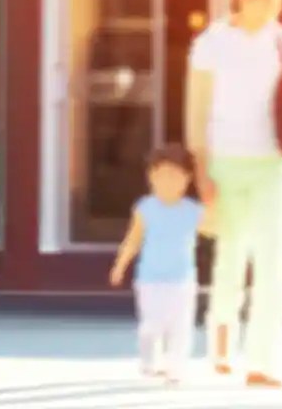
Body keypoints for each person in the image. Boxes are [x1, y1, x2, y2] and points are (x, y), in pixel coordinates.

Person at [185, 0, 282, 388]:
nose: (269, 4)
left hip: (273, 162)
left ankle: (263, 360)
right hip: (225, 160)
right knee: (230, 255)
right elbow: (196, 110)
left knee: (272, 263)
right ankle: (221, 342)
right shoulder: (212, 43)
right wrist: (201, 169)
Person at [109, 144, 213, 384]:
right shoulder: (145, 208)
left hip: (182, 280)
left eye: (175, 176)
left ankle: (176, 367)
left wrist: (213, 198)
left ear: (187, 179)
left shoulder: (193, 211)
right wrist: (120, 265)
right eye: (161, 175)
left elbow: (215, 227)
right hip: (150, 279)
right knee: (152, 323)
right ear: (151, 177)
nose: (167, 182)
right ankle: (149, 359)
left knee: (180, 326)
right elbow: (132, 240)